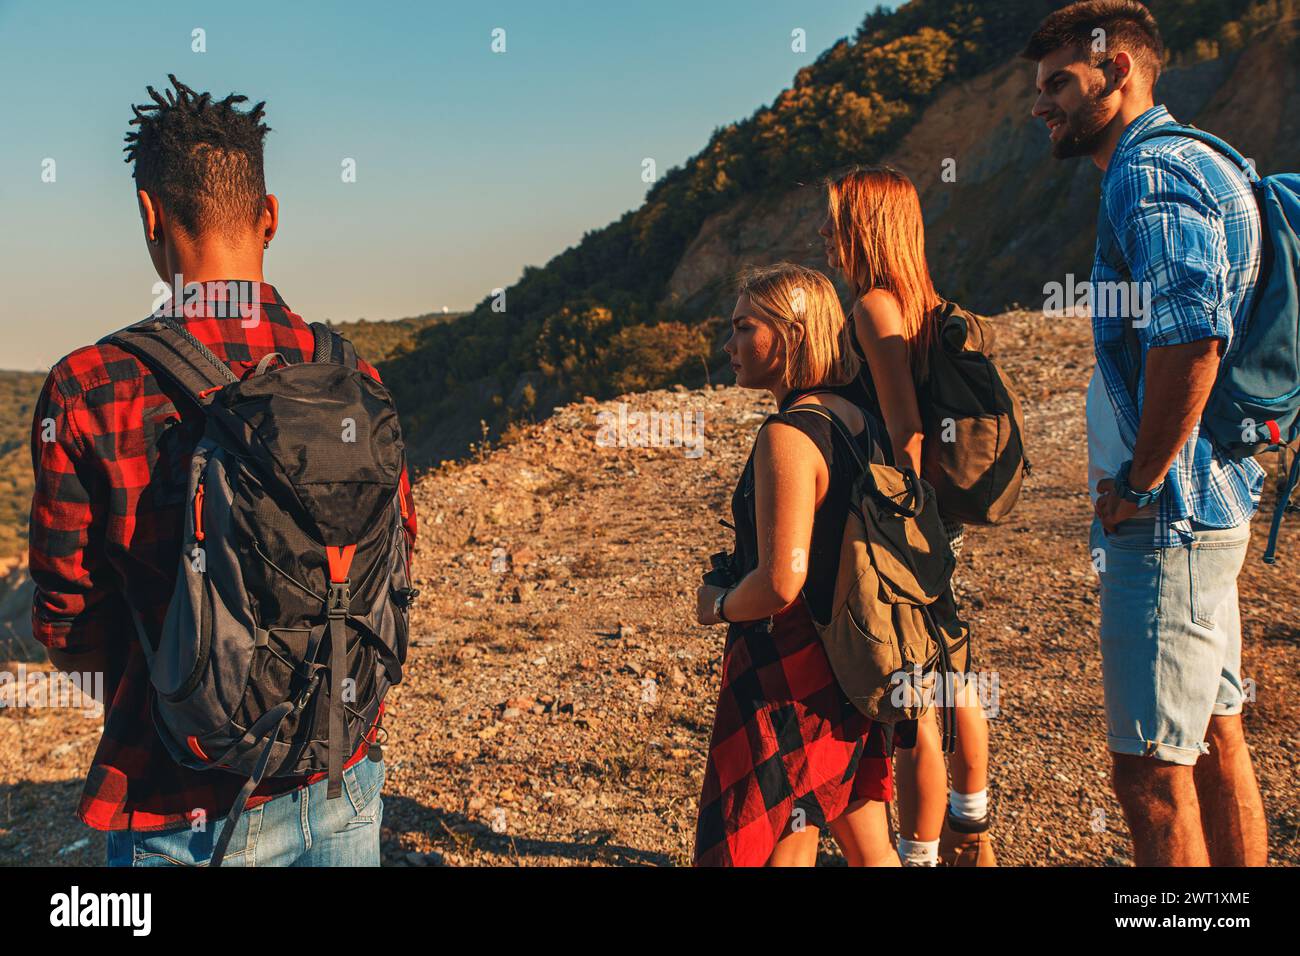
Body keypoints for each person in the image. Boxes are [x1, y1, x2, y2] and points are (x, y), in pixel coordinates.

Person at [27, 76, 417, 866]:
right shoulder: (351, 376)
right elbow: (395, 569)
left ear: (149, 216)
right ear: (270, 216)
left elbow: (68, 623)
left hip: (172, 803)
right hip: (337, 776)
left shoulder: (89, 385)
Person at [1023, 0, 1267, 865]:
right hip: (1213, 501)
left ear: (1118, 69)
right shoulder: (1208, 156)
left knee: (1150, 775)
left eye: (1060, 83)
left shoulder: (1147, 173)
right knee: (1214, 740)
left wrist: (1139, 480)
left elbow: (1191, 333)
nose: (1042, 105)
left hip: (1171, 521)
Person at [693, 263, 899, 867]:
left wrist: (720, 605)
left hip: (787, 666)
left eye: (742, 328)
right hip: (855, 658)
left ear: (790, 333)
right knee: (851, 831)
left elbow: (782, 580)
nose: (728, 345)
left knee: (753, 836)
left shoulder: (788, 434)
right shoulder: (861, 420)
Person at [819, 165, 996, 866]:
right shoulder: (923, 299)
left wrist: (901, 527)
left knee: (914, 698)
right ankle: (969, 827)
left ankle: (920, 855)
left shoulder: (873, 306)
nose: (827, 234)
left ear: (863, 225)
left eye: (836, 221)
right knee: (950, 670)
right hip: (932, 517)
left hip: (907, 518)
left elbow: (905, 426)